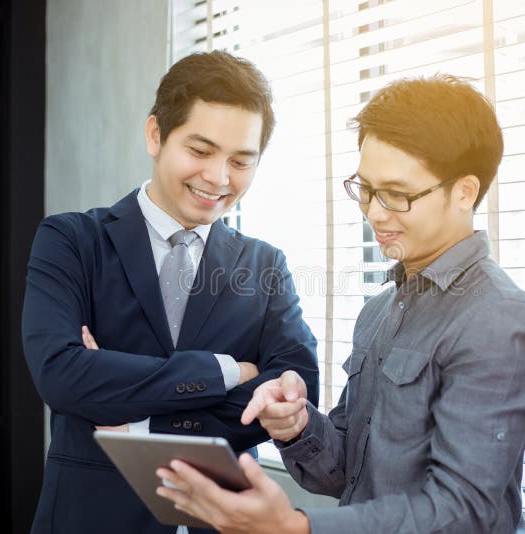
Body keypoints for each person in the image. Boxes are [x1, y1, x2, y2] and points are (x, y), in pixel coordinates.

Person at [155, 75, 525, 534]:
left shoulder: (495, 319)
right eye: (365, 188)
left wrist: (297, 528)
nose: (375, 212)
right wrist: (296, 424)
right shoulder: (381, 311)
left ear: (464, 191)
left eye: (397, 194)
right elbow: (347, 471)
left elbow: (463, 512)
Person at [22, 51, 319, 534]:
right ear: (155, 135)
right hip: (88, 518)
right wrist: (225, 371)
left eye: (241, 161)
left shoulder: (266, 265)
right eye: (200, 152)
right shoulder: (72, 240)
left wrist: (138, 427)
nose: (219, 178)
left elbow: (293, 391)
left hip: (220, 522)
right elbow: (61, 374)